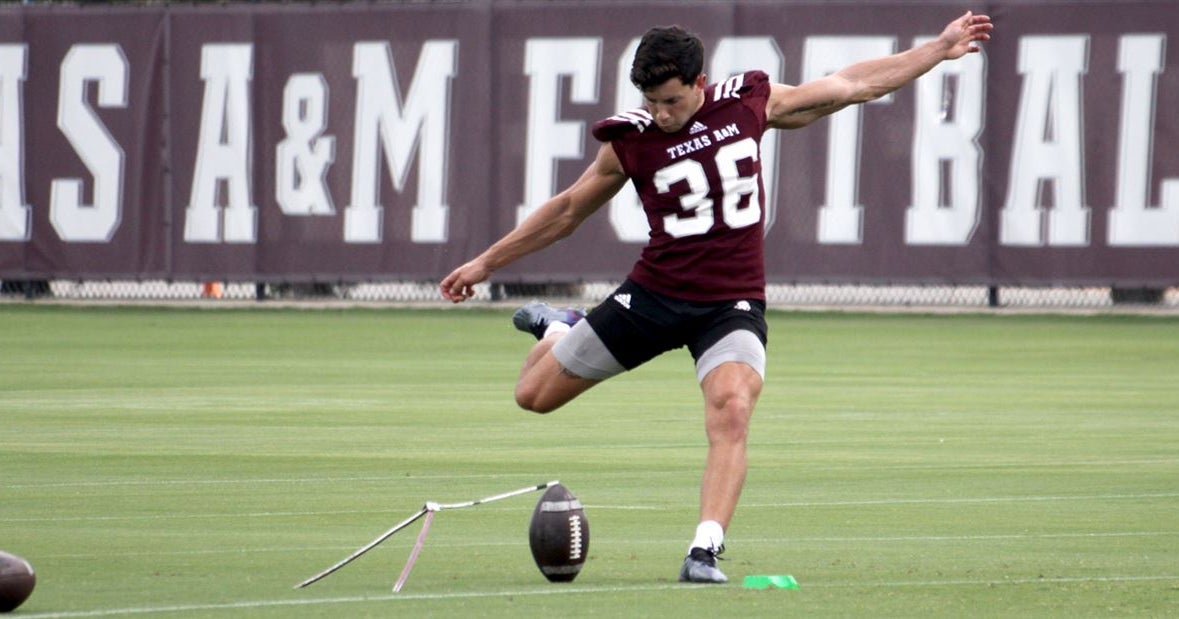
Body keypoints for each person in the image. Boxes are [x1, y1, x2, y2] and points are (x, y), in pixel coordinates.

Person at [440, 11, 993, 583]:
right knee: (533, 396)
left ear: (700, 83)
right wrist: (485, 262)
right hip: (652, 296)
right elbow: (568, 211)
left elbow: (851, 85)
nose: (660, 112)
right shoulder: (631, 140)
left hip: (729, 304)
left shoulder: (748, 103)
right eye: (651, 100)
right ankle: (559, 328)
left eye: (672, 100)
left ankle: (703, 550)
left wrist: (938, 48)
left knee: (732, 406)